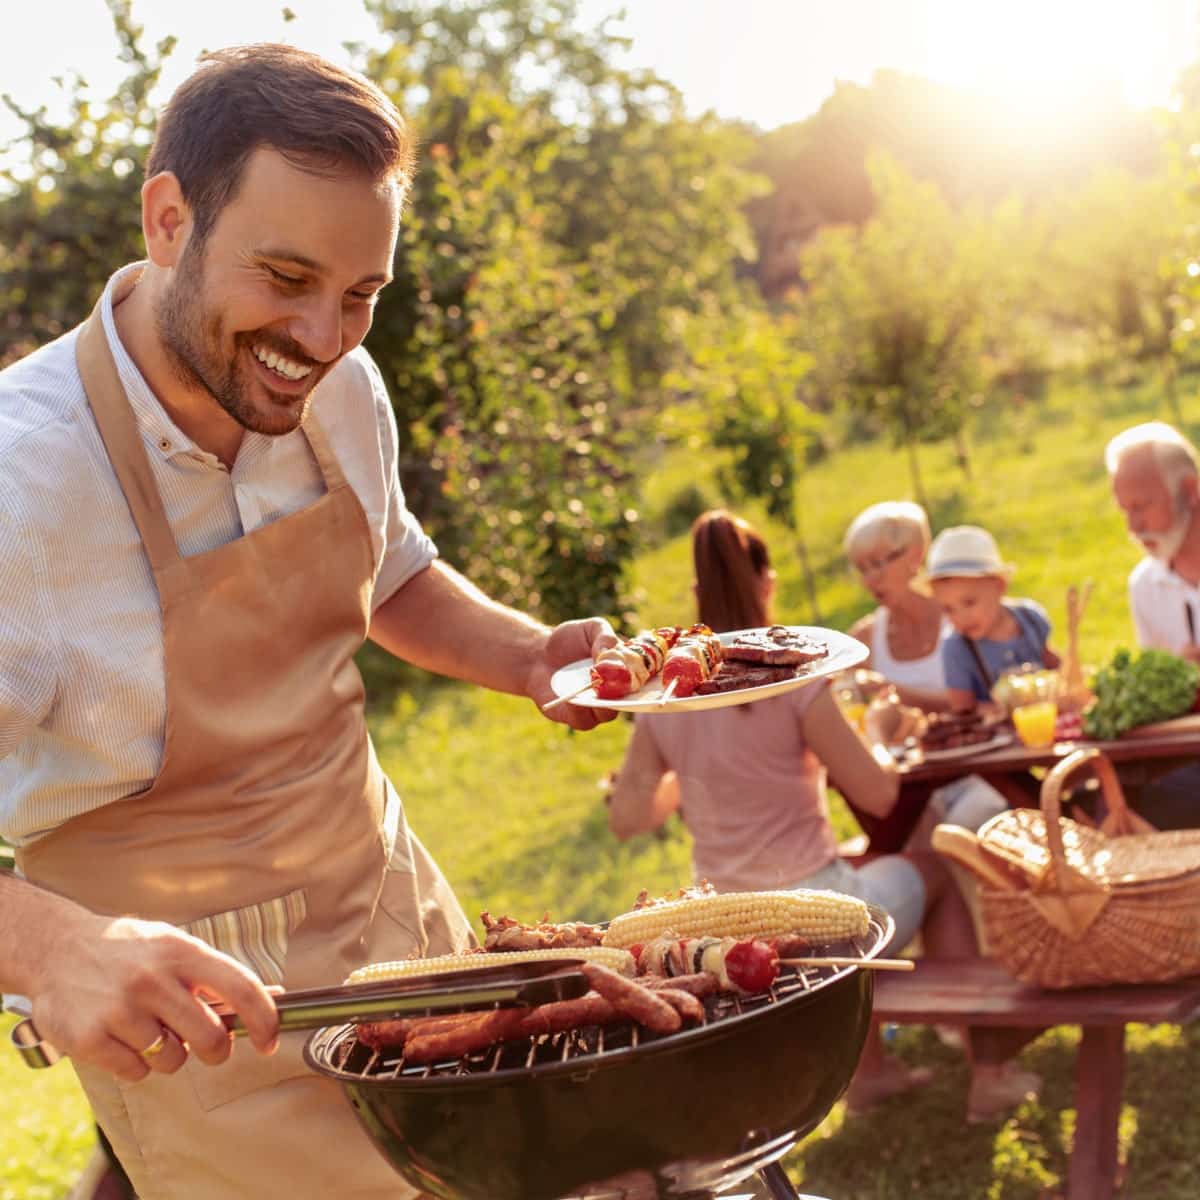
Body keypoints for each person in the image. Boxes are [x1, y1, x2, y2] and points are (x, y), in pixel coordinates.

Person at [0, 45, 617, 1200]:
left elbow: (391, 577)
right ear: (169, 218)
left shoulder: (338, 387)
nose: (325, 338)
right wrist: (50, 948)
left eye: (361, 296)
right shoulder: (21, 492)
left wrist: (528, 655)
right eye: (285, 278)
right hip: (197, 1028)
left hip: (391, 920)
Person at [608, 510, 1039, 1122]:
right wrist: (886, 732)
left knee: (873, 865)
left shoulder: (664, 699)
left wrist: (695, 776)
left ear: (698, 593)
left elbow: (628, 817)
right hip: (813, 910)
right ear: (764, 584)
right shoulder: (792, 680)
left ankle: (871, 1077)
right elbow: (880, 794)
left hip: (720, 925)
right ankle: (987, 1074)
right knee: (934, 872)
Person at [844, 502, 1010, 842]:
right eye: (862, 568)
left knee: (955, 831)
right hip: (914, 784)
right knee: (907, 836)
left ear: (915, 556)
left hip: (983, 775)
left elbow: (994, 702)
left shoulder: (963, 615)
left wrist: (895, 692)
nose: (870, 578)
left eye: (879, 562)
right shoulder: (863, 639)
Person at [1104, 421, 1200, 829]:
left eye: (1142, 506)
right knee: (1108, 805)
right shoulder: (1145, 585)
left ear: (1190, 491)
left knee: (1147, 808)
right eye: (1125, 509)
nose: (1132, 526)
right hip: (1185, 750)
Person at [926, 525, 1060, 711]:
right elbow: (962, 708)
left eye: (969, 603)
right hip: (998, 736)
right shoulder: (957, 647)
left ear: (999, 586)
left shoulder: (1029, 618)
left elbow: (1052, 663)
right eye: (948, 609)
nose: (961, 618)